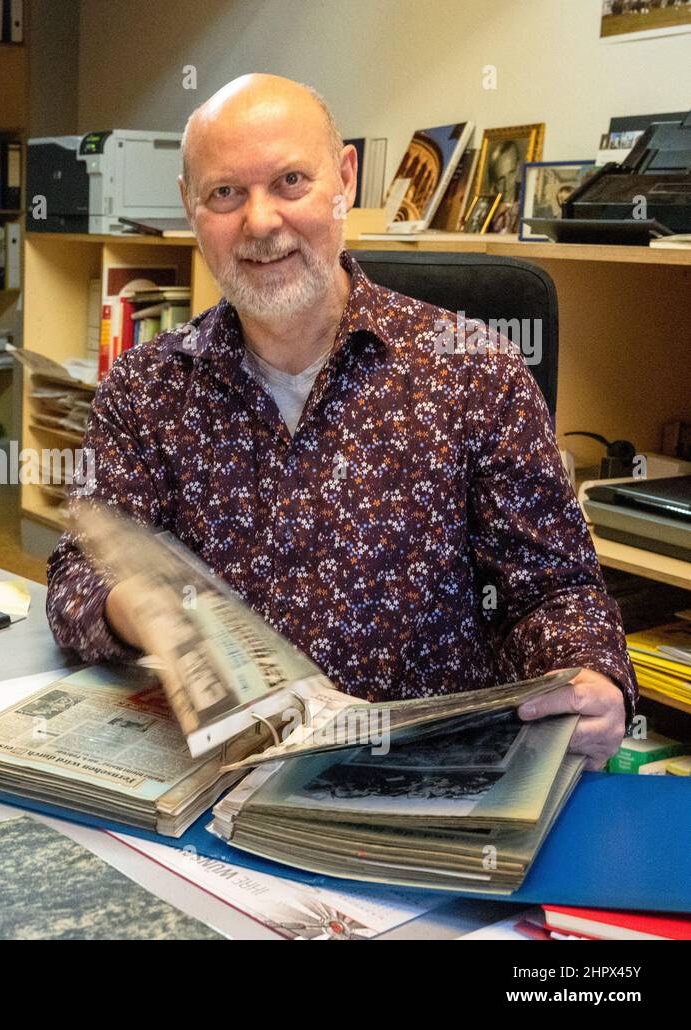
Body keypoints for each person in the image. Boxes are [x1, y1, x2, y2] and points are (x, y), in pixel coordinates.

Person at [46, 74, 634, 770]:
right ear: (190, 207)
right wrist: (132, 606)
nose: (260, 223)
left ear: (344, 180)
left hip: (421, 783)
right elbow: (74, 577)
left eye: (290, 181)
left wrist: (594, 677)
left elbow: (555, 590)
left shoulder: (476, 373)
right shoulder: (146, 388)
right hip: (218, 780)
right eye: (225, 193)